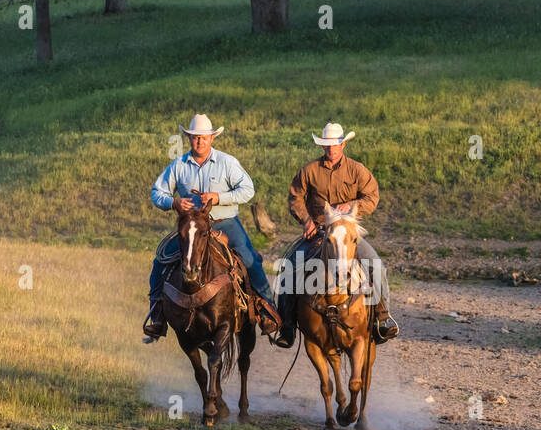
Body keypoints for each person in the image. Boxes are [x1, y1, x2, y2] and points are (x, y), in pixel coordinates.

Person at [143, 114, 281, 341]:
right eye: (195, 138)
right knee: (161, 260)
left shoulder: (227, 162)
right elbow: (157, 192)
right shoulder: (178, 165)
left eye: (204, 138)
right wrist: (174, 202)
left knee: (249, 259)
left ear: (211, 138)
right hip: (192, 227)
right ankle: (157, 314)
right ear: (189, 139)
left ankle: (267, 308)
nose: (199, 142)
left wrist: (219, 197)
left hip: (224, 222)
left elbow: (248, 190)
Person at [272, 122, 399, 348]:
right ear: (323, 146)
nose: (331, 148)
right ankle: (288, 325)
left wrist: (352, 204)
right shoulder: (309, 171)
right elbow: (295, 197)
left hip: (348, 233)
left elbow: (372, 197)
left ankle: (382, 317)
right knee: (290, 267)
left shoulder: (357, 170)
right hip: (319, 232)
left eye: (335, 144)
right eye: (327, 145)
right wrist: (306, 220)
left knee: (375, 264)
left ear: (343, 144)